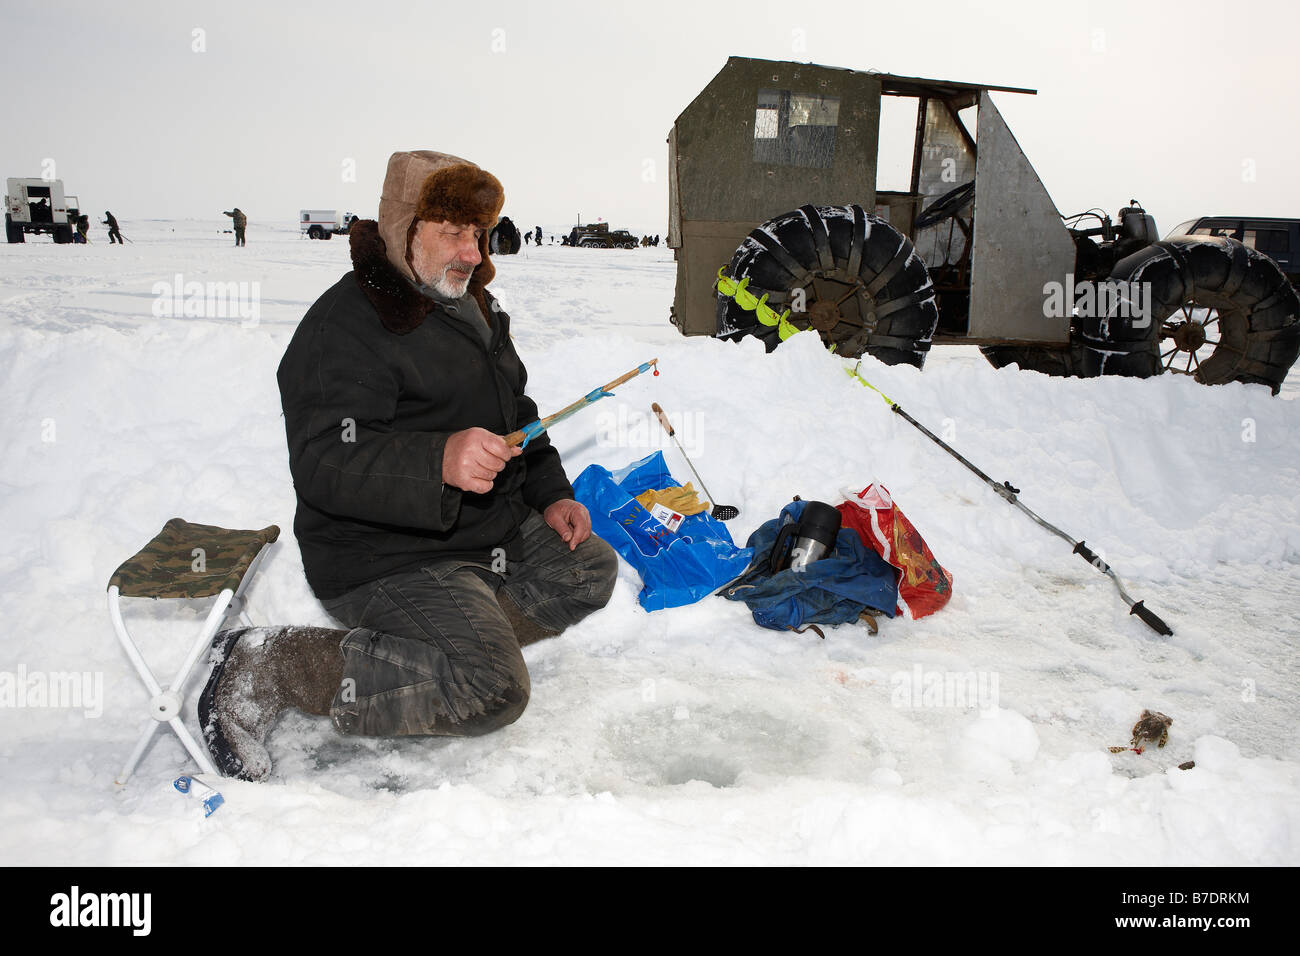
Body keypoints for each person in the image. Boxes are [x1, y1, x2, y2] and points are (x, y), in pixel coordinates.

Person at [199, 150, 618, 782]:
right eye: (452, 233)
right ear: (403, 230)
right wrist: (438, 461)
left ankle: (431, 649)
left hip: (484, 531)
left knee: (588, 568)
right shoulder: (345, 328)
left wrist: (552, 493)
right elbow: (323, 460)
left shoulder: (472, 307)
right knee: (490, 690)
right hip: (385, 553)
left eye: (476, 234)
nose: (473, 253)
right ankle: (273, 666)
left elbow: (518, 415)